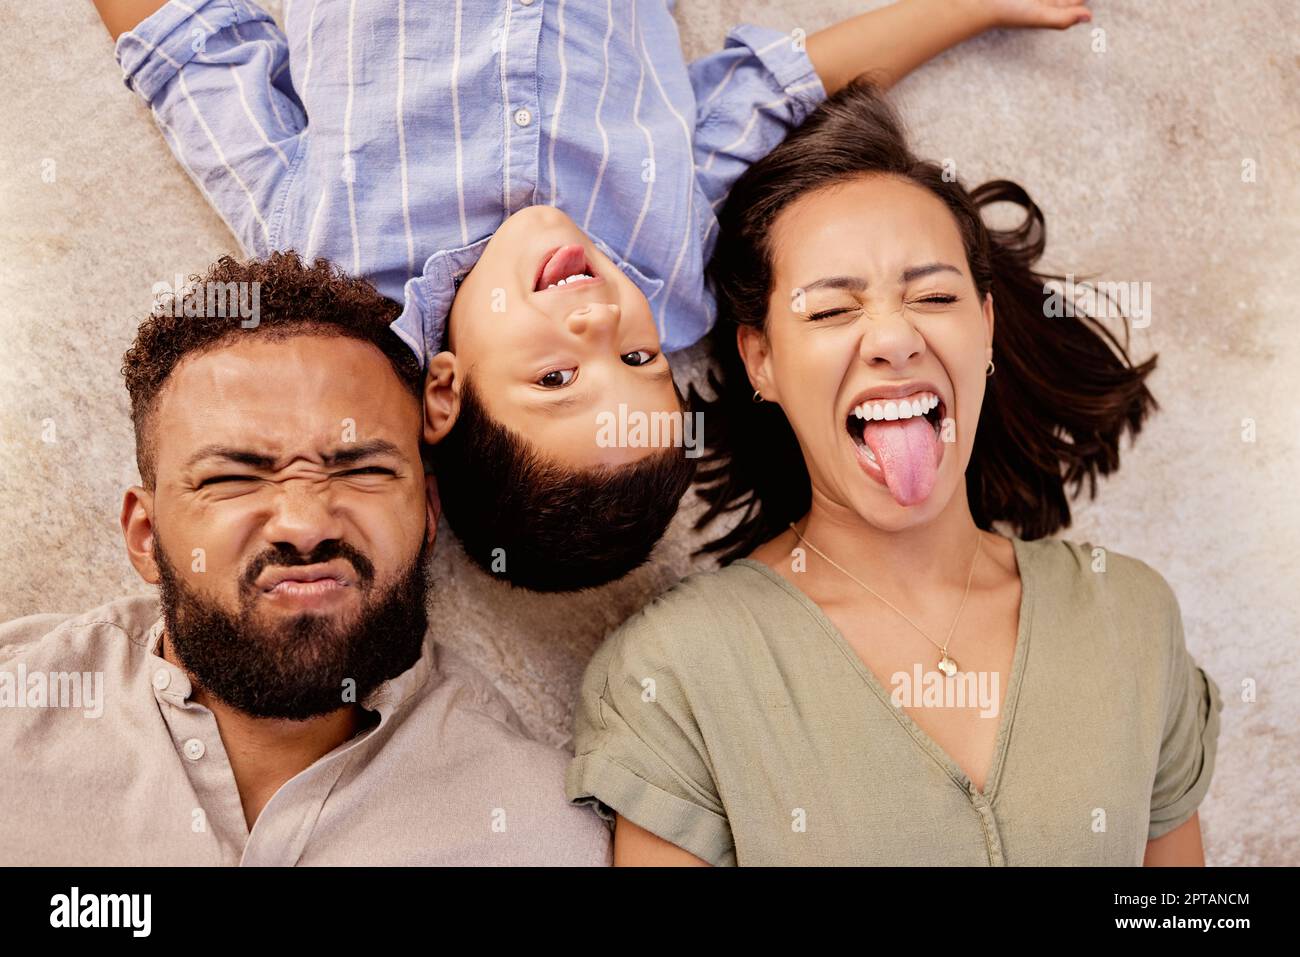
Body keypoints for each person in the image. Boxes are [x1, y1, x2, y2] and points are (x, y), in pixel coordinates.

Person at [89, 0, 1092, 590]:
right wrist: (973, 7)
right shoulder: (667, 265)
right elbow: (775, 86)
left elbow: (189, 59)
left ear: (442, 392)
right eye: (639, 360)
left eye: (556, 373)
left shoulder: (331, 263)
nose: (599, 317)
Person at [566, 80, 1223, 866]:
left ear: (984, 328)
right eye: (832, 310)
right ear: (761, 360)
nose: (893, 338)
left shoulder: (1131, 616)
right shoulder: (673, 674)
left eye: (932, 295)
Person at [0, 252, 609, 865]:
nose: (305, 524)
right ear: (145, 534)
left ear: (427, 512)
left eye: (364, 469)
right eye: (234, 477)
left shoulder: (543, 835)